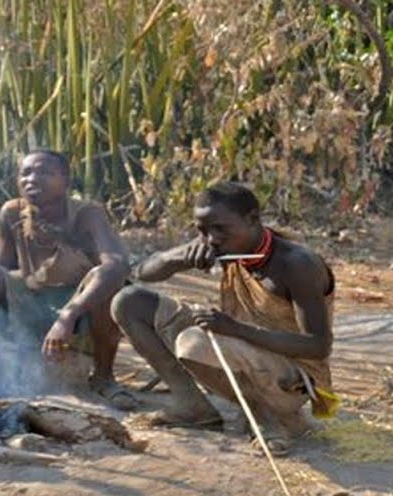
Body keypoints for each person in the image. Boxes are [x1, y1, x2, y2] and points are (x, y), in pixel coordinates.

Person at [111, 182, 337, 455]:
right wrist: (180, 257)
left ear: (252, 219)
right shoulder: (224, 245)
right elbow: (143, 272)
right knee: (129, 302)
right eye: (202, 230)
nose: (211, 239)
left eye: (220, 229)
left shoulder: (296, 263)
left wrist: (235, 329)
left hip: (289, 379)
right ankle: (191, 405)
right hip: (238, 346)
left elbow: (317, 346)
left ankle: (269, 418)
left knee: (195, 342)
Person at [0, 150, 135, 408]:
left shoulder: (87, 214)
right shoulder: (12, 213)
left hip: (81, 314)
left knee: (106, 278)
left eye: (45, 172)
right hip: (34, 303)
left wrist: (67, 316)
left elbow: (118, 265)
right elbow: (1, 272)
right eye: (25, 173)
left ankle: (104, 377)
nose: (32, 179)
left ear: (66, 180)